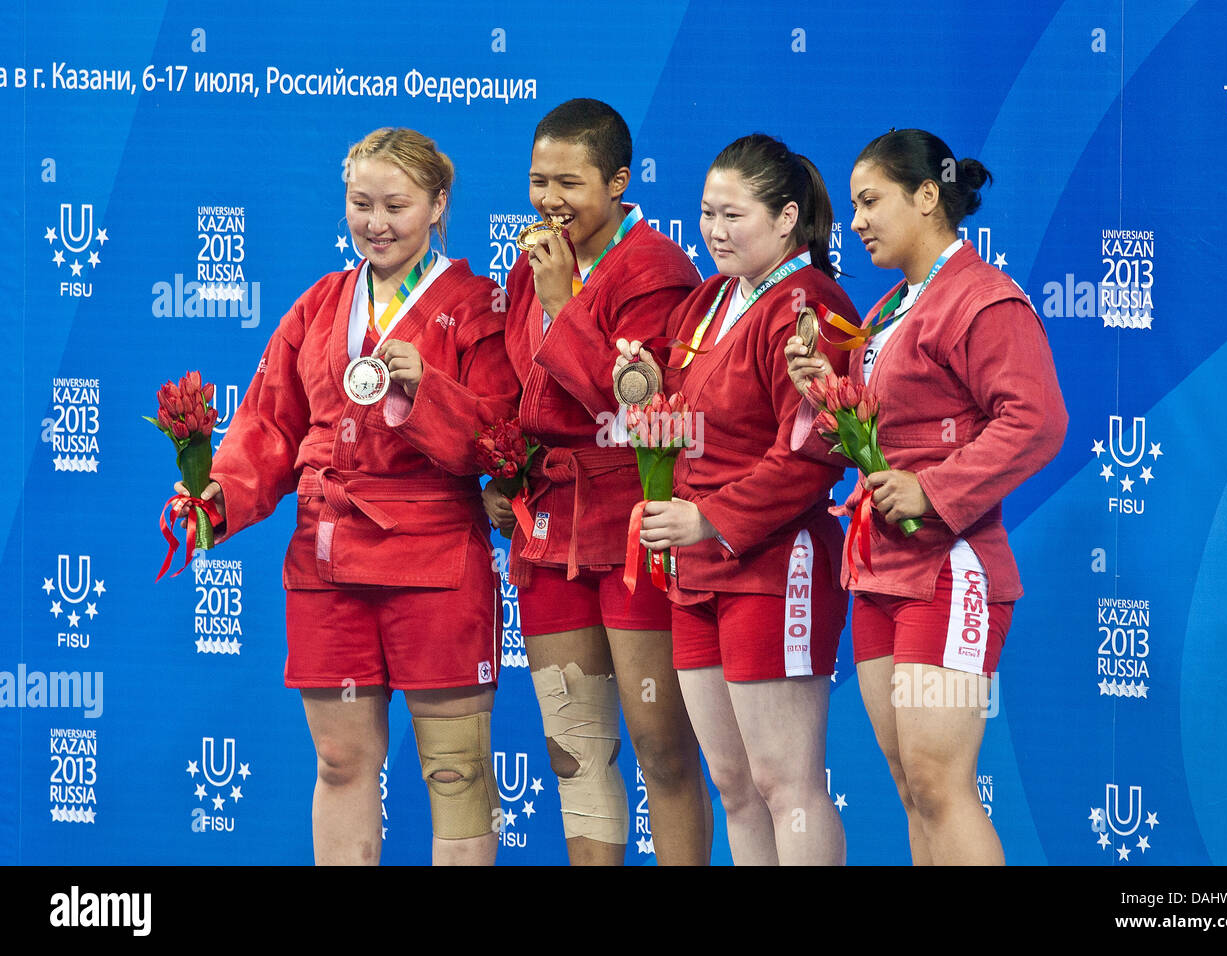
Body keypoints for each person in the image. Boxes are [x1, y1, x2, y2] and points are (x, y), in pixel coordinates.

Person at [180, 127, 519, 865]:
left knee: (455, 773)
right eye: (360, 203)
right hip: (329, 563)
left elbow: (500, 439)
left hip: (437, 563)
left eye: (396, 204)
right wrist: (214, 499)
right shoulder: (323, 302)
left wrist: (427, 389)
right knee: (339, 764)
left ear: (437, 205)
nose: (376, 222)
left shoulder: (477, 304)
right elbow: (269, 423)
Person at [786, 128, 1068, 865]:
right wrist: (816, 383)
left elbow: (1036, 421)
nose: (857, 222)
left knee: (941, 783)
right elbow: (842, 435)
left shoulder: (981, 298)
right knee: (911, 783)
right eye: (852, 206)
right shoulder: (884, 313)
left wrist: (931, 488)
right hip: (879, 568)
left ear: (927, 196)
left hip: (950, 568)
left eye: (871, 201)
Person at [615, 133, 859, 865]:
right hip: (696, 569)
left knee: (787, 782)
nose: (715, 232)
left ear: (787, 219)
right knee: (735, 783)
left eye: (734, 216)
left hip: (771, 562)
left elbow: (813, 453)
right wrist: (641, 387)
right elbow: (676, 414)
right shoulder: (707, 301)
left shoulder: (808, 305)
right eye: (706, 214)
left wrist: (711, 516)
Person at [481, 98, 711, 865]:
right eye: (537, 181)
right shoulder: (530, 265)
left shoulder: (658, 272)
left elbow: (630, 404)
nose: (549, 201)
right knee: (575, 750)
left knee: (662, 747)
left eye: (569, 183)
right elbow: (522, 393)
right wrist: (505, 472)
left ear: (618, 182)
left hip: (634, 523)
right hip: (551, 532)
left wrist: (561, 305)